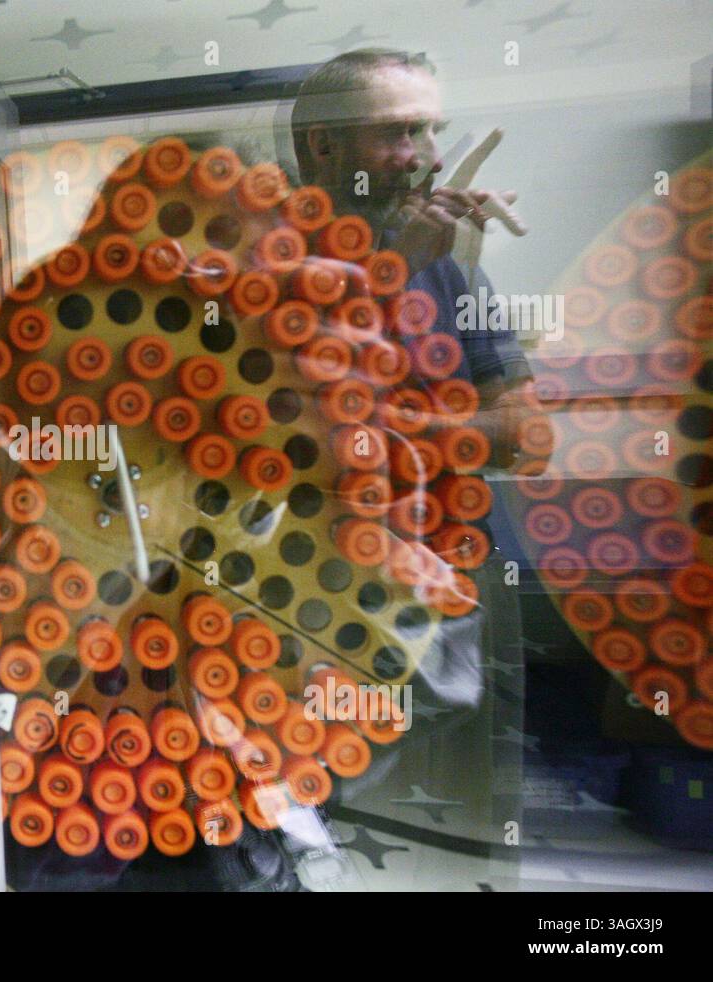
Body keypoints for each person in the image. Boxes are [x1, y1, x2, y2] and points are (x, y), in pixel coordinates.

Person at [280, 49, 541, 842]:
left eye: (430, 131)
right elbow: (292, 432)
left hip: (450, 583)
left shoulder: (452, 270)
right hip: (310, 596)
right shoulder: (263, 256)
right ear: (325, 146)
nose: (425, 155)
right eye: (398, 133)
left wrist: (397, 431)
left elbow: (525, 433)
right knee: (307, 813)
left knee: (446, 828)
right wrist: (391, 272)